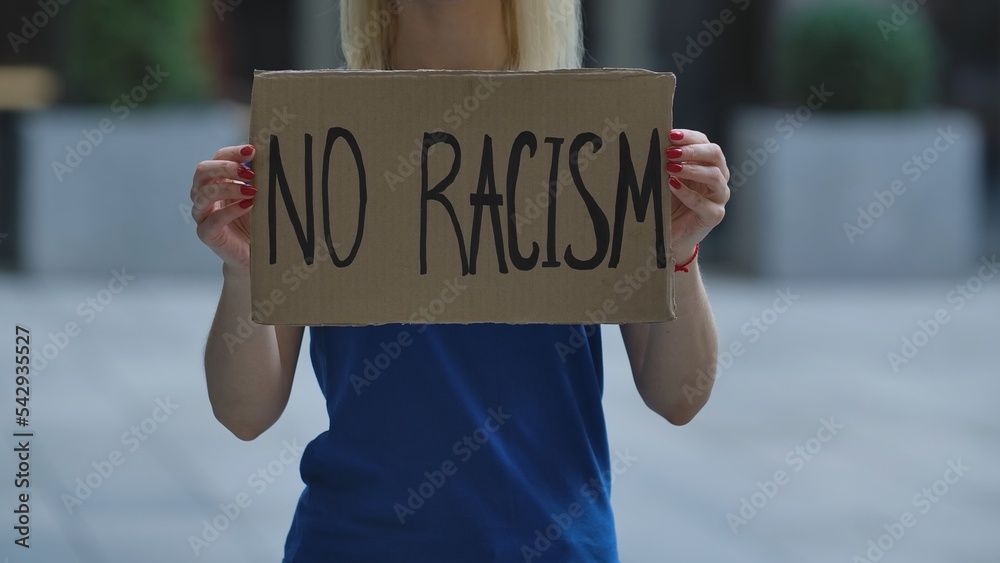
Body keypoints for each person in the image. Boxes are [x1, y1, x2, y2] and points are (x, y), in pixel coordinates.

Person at [190, 0, 731, 561]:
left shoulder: (599, 138)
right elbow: (245, 412)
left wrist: (677, 254)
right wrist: (243, 269)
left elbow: (678, 397)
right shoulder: (314, 138)